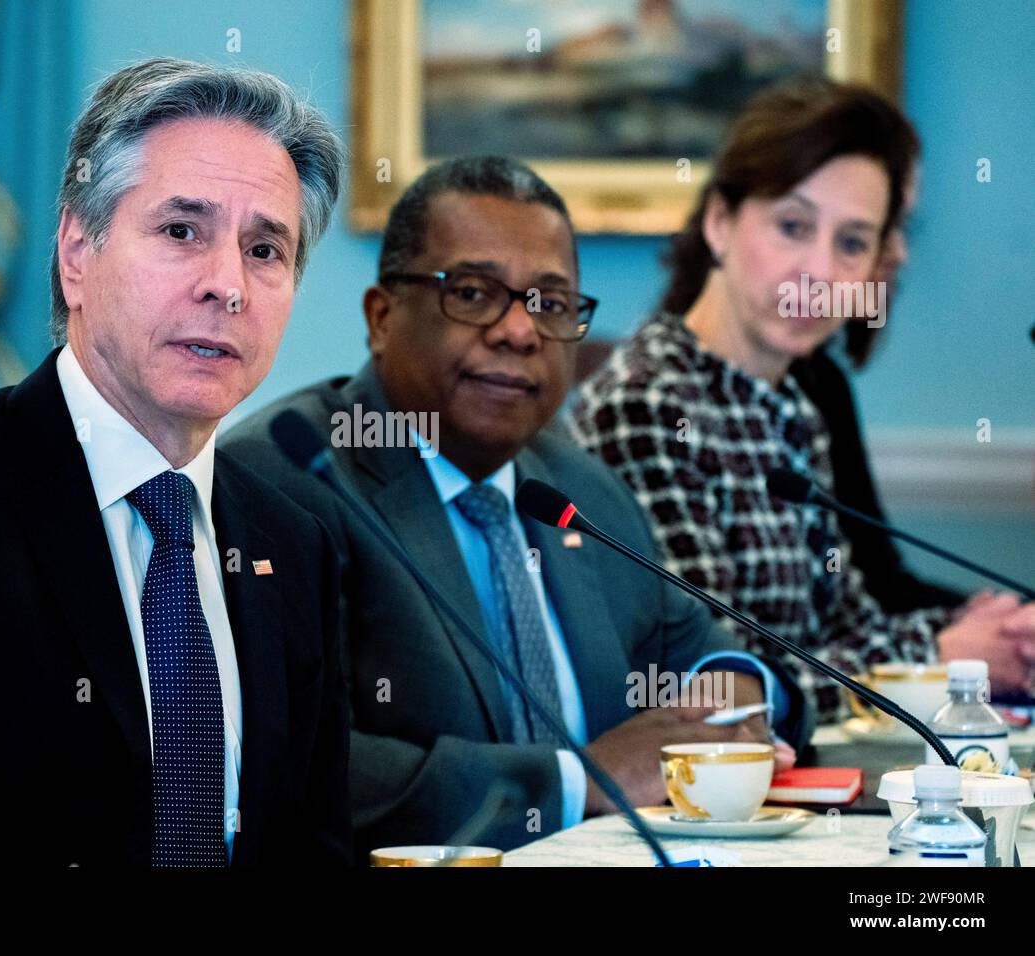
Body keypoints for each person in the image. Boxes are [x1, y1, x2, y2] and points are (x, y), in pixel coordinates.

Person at [0, 57, 351, 866]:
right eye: (182, 231)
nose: (229, 286)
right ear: (77, 252)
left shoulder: (295, 545)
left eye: (265, 250)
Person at [223, 156, 811, 858]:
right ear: (381, 318)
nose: (520, 331)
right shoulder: (288, 478)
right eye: (473, 294)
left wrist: (730, 698)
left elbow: (692, 646)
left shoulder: (579, 487)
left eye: (551, 304)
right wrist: (579, 782)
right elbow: (303, 770)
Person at [570, 80, 1035, 722]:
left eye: (850, 244)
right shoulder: (647, 406)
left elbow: (851, 620)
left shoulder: (793, 405)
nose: (819, 273)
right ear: (719, 223)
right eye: (792, 226)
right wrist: (942, 648)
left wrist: (997, 634)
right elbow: (724, 685)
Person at [789, 168, 967, 613]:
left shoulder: (820, 379)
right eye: (886, 228)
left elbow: (870, 589)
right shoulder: (665, 398)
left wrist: (995, 620)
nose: (901, 253)